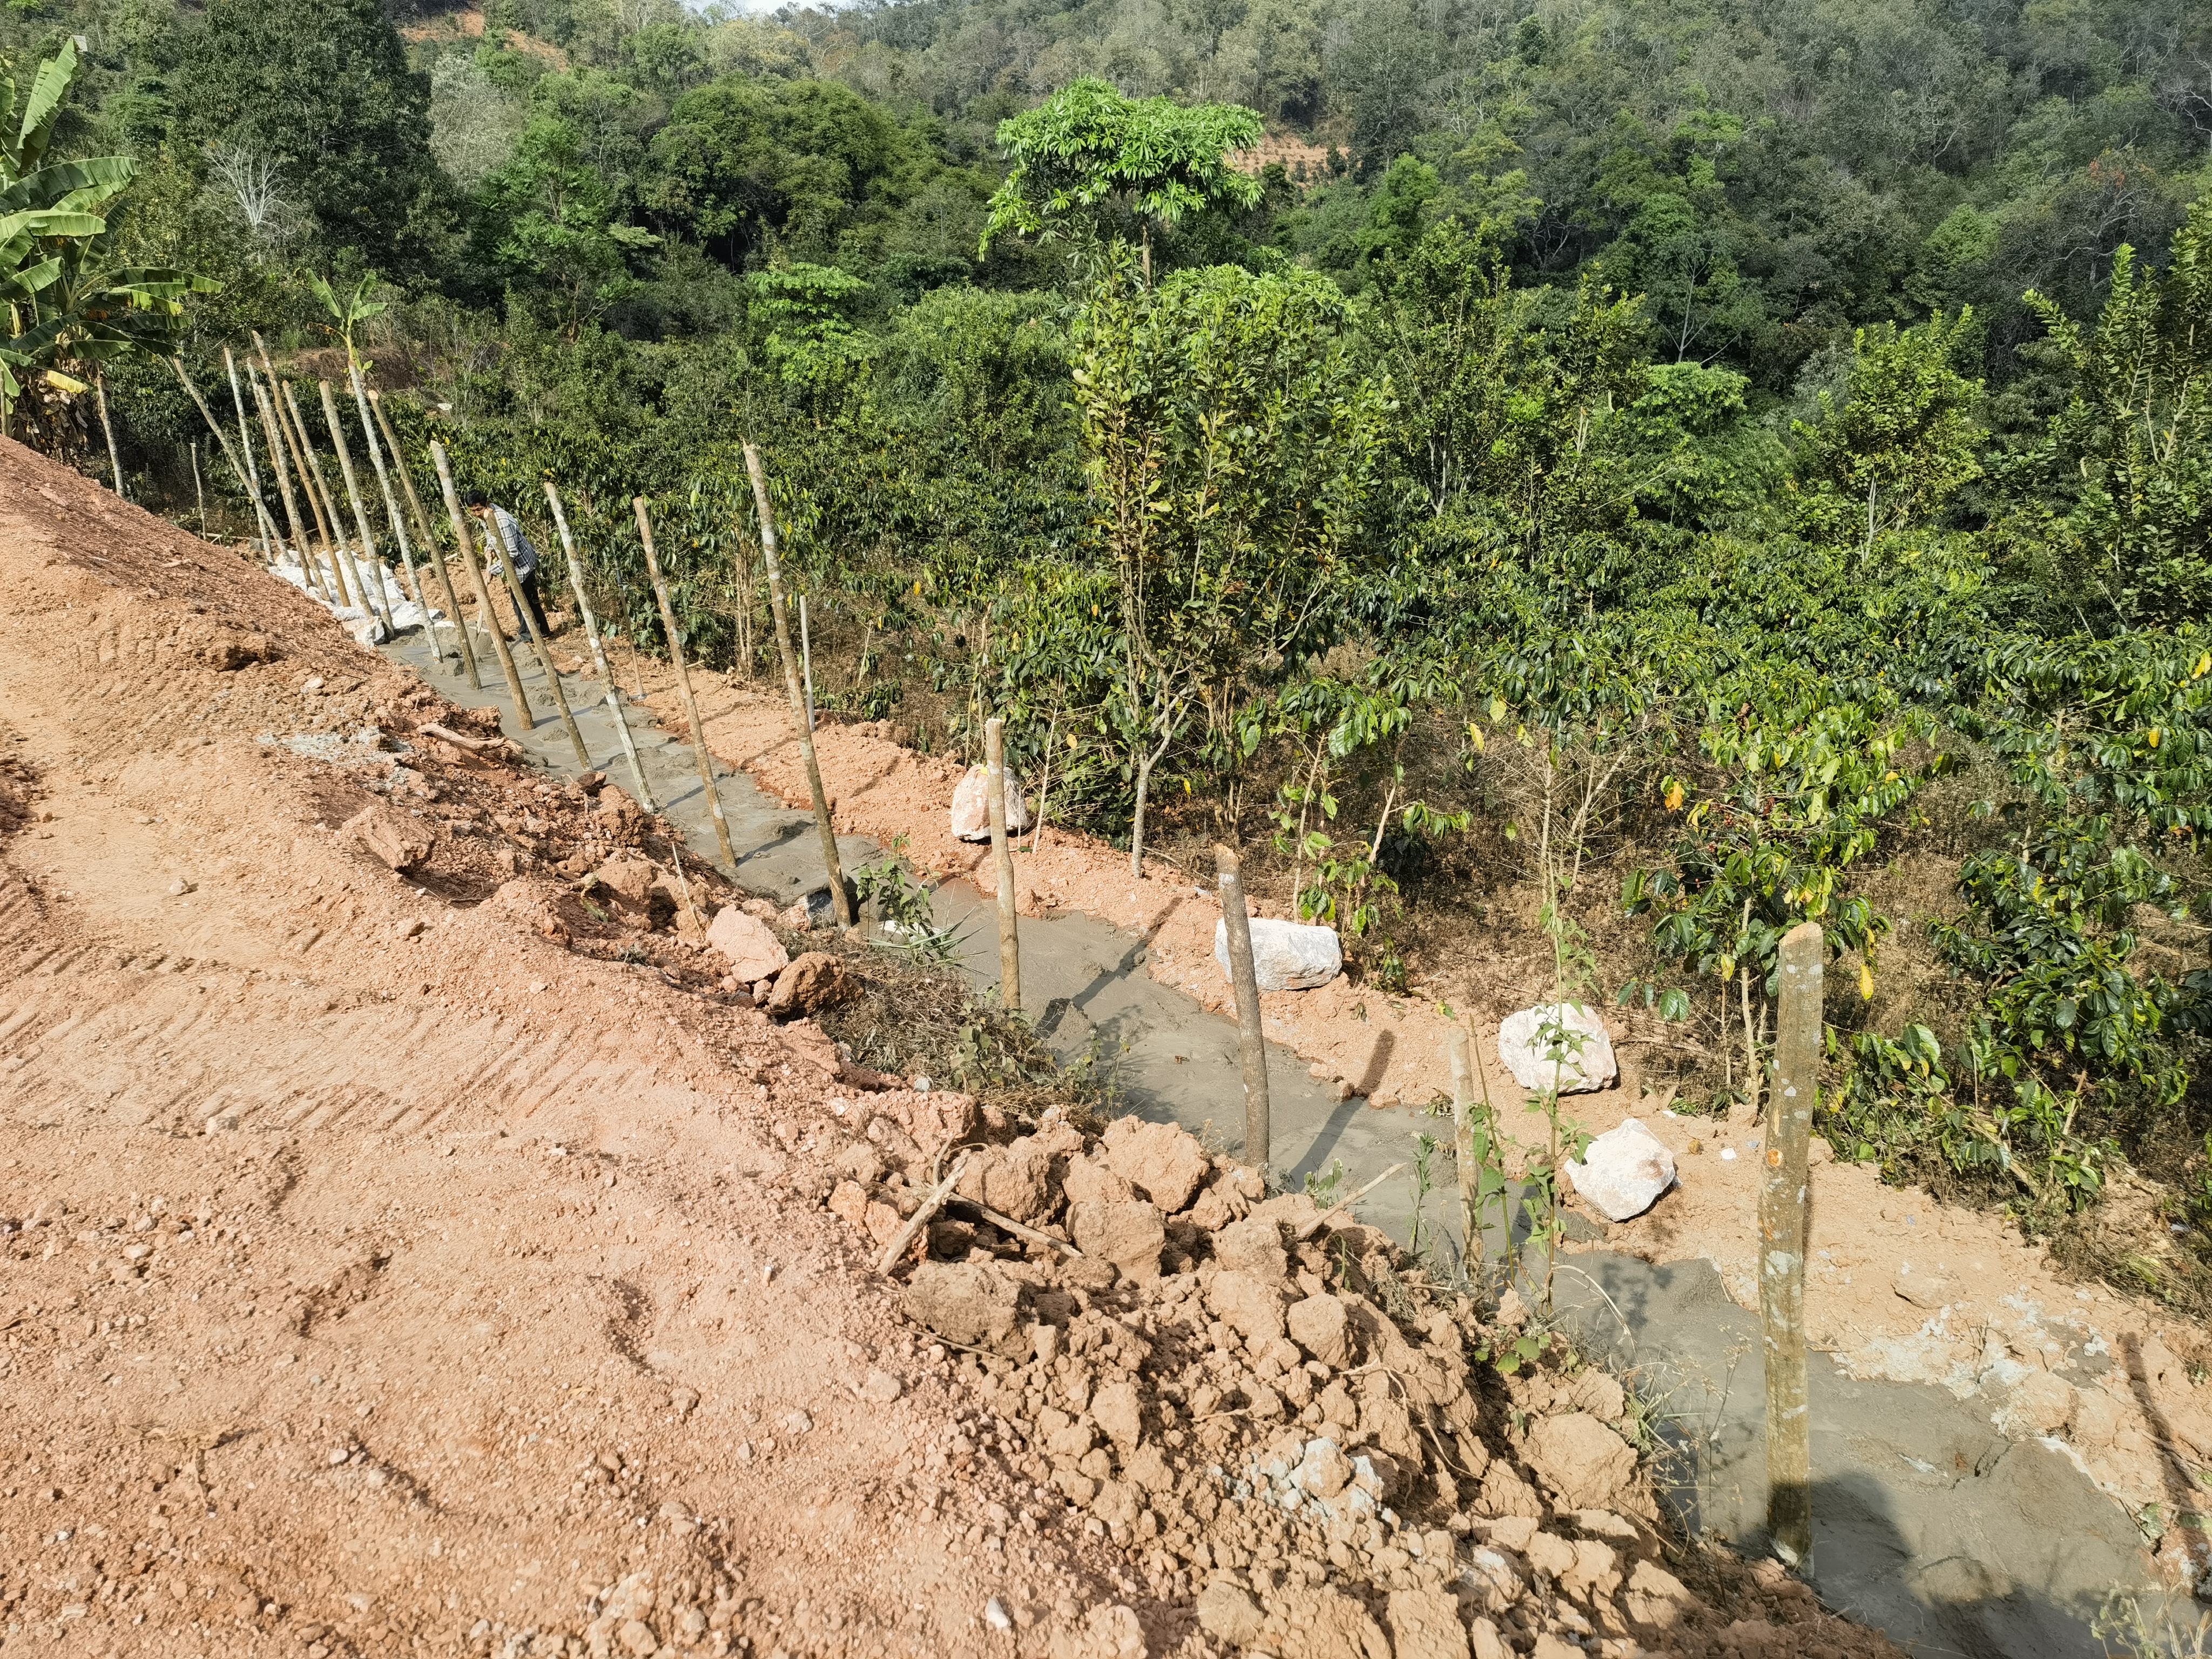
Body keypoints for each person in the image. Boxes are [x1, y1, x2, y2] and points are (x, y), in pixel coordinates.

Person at [464, 488, 552, 639]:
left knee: (522, 602)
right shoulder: (486, 516)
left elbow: (512, 553)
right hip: (515, 567)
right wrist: (489, 549)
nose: (477, 514)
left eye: (479, 509)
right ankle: (542, 631)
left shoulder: (502, 521)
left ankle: (529, 637)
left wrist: (493, 570)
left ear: (487, 504)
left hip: (523, 566)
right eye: (473, 511)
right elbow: (491, 536)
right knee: (528, 600)